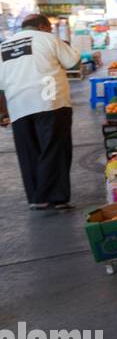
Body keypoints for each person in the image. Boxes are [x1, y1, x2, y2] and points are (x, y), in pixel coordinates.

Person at [0, 14, 80, 210]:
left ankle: (37, 198)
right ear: (43, 26)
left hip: (18, 104)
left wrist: (2, 112)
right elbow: (72, 62)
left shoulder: (3, 46)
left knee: (28, 152)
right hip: (50, 100)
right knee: (54, 148)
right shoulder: (48, 38)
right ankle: (57, 197)